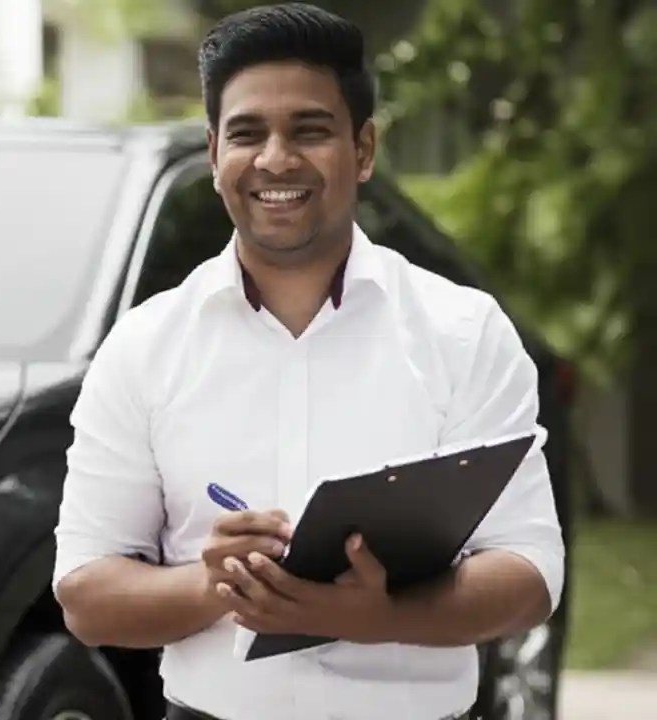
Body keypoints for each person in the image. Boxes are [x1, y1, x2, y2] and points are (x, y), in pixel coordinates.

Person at [50, 3, 565, 719]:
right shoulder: (144, 347)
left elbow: (530, 574)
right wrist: (213, 583)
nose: (275, 159)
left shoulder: (463, 332)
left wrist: (373, 615)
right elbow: (85, 594)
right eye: (247, 133)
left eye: (310, 130)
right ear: (213, 154)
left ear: (363, 150)